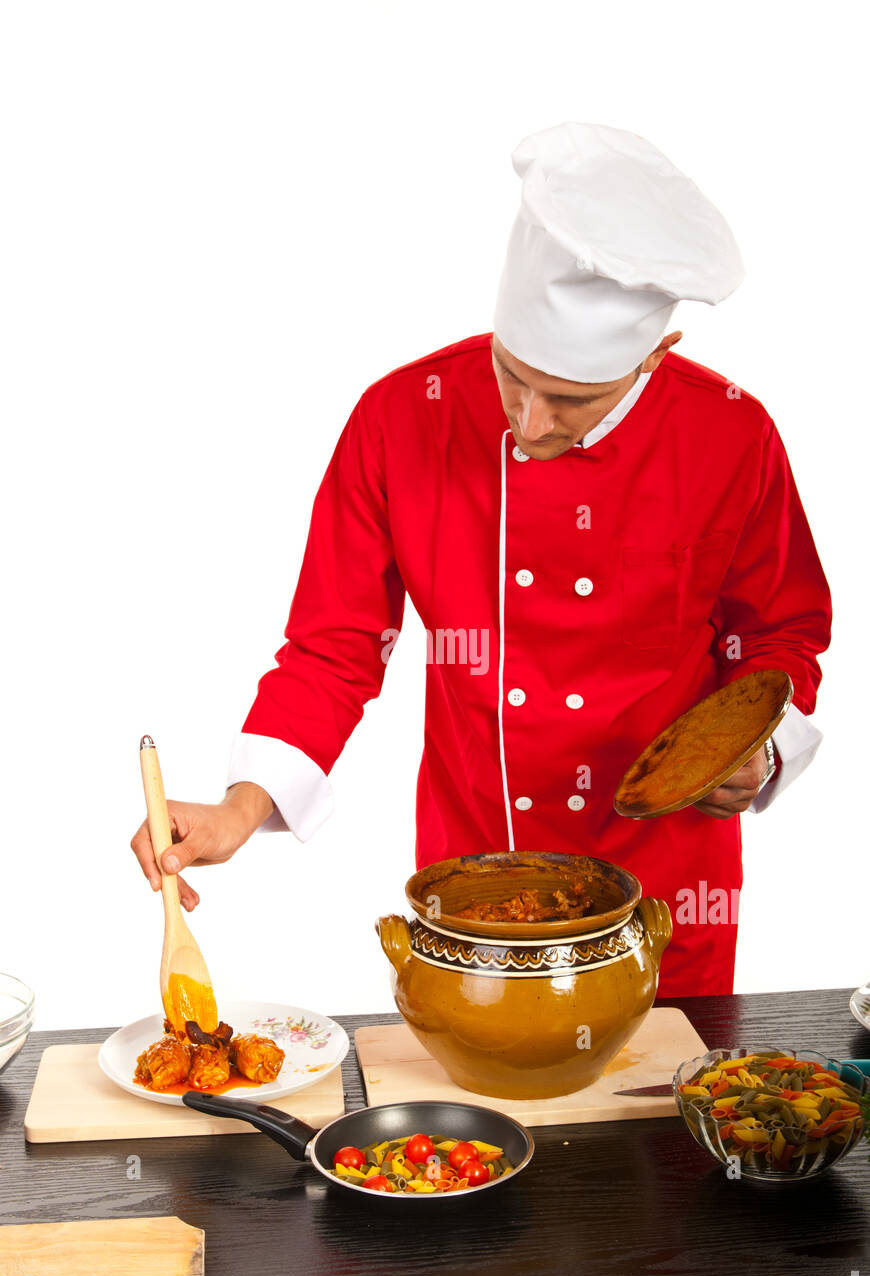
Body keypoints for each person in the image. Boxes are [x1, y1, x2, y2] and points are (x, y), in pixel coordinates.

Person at [131, 122, 831, 996]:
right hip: (474, 884)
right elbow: (335, 644)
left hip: (667, 892)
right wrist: (242, 805)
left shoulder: (731, 435)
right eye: (512, 375)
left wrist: (758, 751)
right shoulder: (399, 419)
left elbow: (781, 632)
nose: (530, 424)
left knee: (664, 1129)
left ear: (657, 355)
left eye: (572, 400)